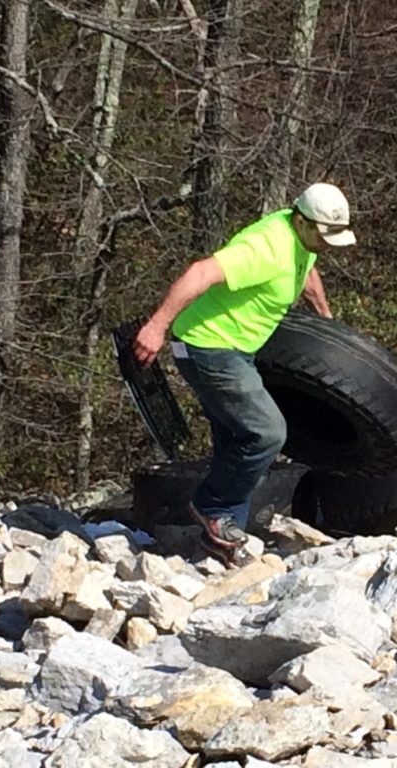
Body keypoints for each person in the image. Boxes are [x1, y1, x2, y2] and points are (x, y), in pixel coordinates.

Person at [133, 182, 356, 565]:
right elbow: (201, 273)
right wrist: (157, 325)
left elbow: (307, 271)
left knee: (236, 441)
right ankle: (212, 506)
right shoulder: (266, 246)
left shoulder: (303, 242)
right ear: (301, 221)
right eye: (322, 234)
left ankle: (219, 548)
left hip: (239, 348)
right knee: (267, 432)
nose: (326, 244)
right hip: (208, 345)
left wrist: (326, 320)